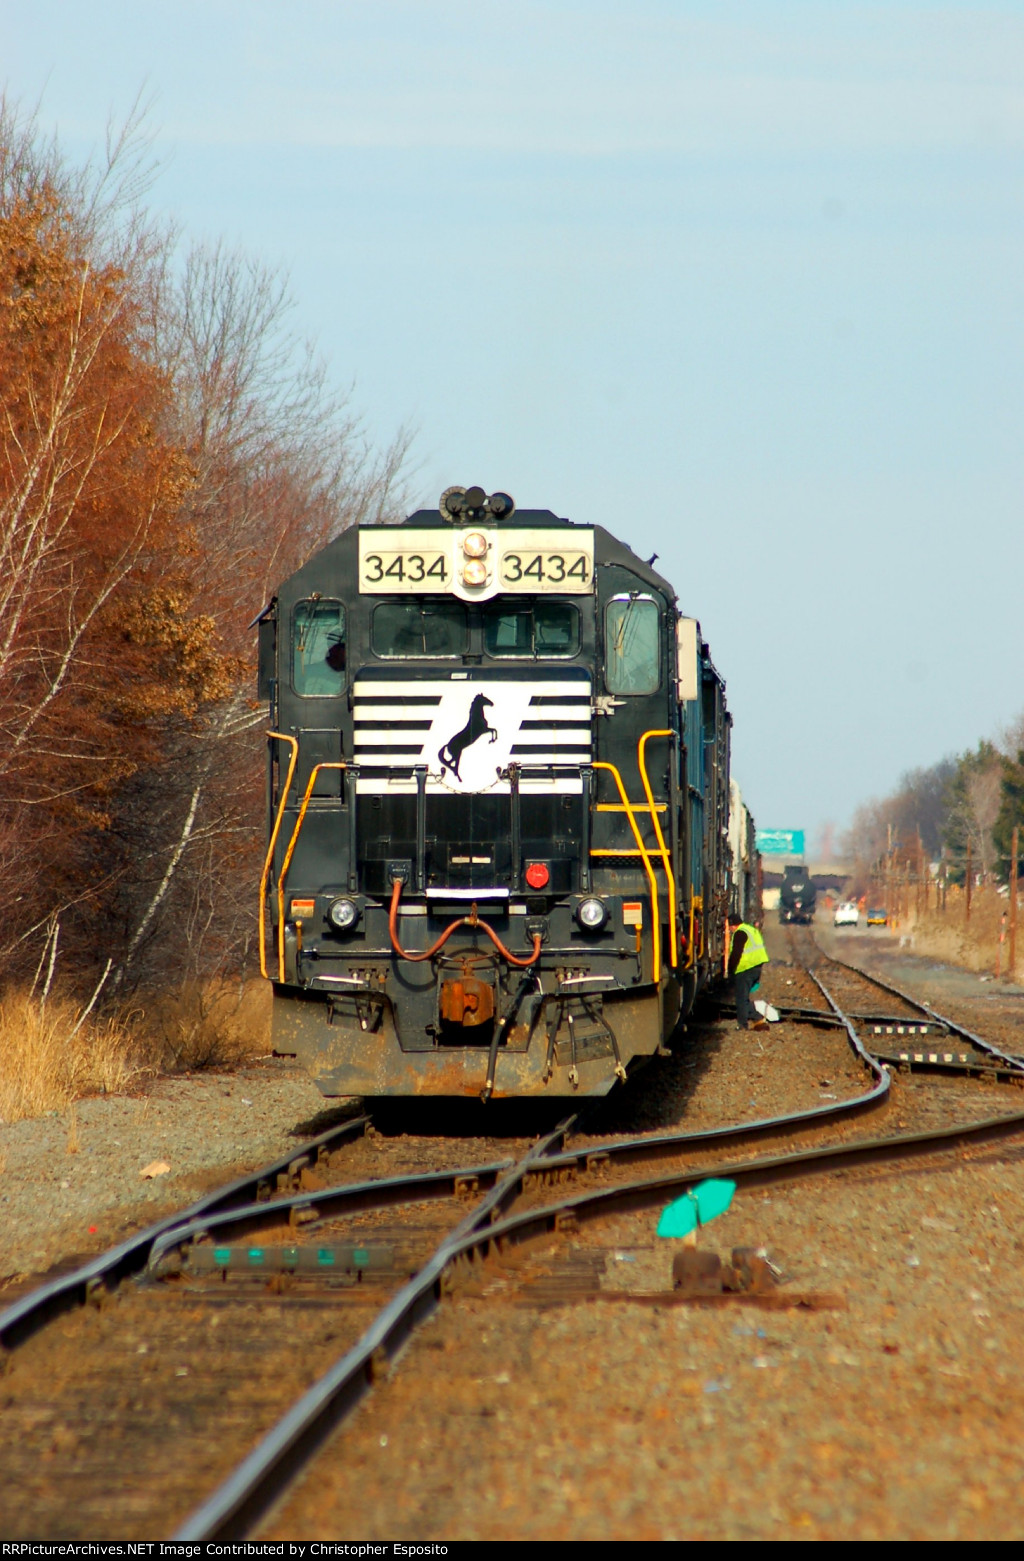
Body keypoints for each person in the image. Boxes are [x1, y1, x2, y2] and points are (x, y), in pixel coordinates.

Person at [728, 916, 770, 1031]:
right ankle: (758, 1020)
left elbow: (736, 953)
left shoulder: (740, 933)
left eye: (729, 927)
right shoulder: (751, 929)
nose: (729, 930)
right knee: (744, 997)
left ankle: (743, 1025)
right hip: (756, 967)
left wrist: (730, 969)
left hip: (746, 968)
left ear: (733, 925)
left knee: (741, 998)